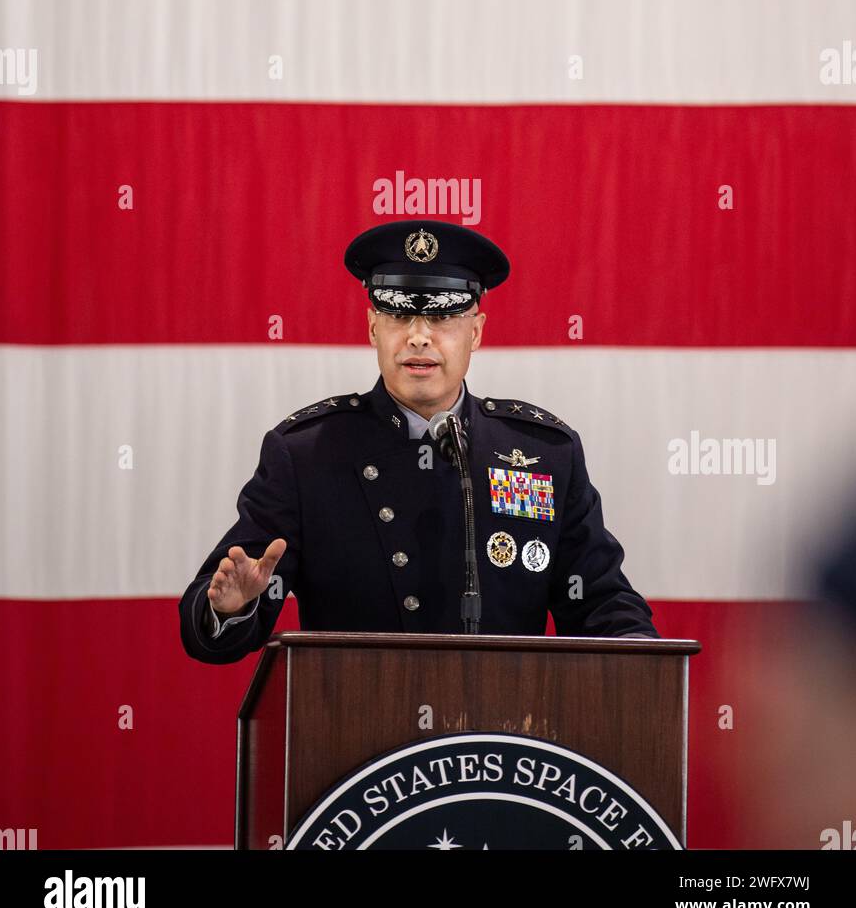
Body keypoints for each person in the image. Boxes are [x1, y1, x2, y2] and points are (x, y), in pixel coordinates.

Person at [179, 220, 659, 663]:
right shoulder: (308, 455)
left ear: (476, 332)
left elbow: (598, 597)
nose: (419, 338)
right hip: (357, 734)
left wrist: (641, 658)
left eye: (443, 319)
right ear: (372, 328)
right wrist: (230, 606)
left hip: (501, 739)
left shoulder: (544, 456)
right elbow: (225, 609)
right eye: (399, 317)